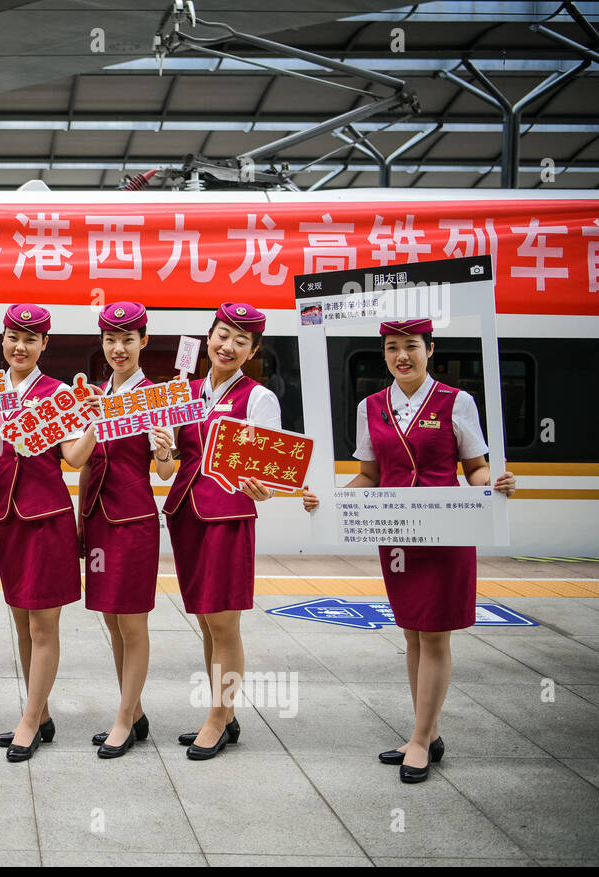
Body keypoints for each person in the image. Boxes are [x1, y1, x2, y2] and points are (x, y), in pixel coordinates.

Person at [302, 318, 515, 783]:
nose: (403, 355)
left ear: (430, 349)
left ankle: (420, 739)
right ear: (383, 355)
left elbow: (475, 469)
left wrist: (494, 483)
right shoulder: (370, 407)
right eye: (393, 348)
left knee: (435, 633)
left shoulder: (457, 402)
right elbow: (370, 476)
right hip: (396, 534)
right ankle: (427, 732)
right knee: (412, 633)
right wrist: (331, 500)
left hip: (446, 534)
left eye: (411, 347)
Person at [0, 304, 94, 762]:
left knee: (43, 624)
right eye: (12, 337)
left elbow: (74, 459)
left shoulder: (57, 394)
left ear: (45, 345)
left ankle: (29, 719)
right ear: (2, 339)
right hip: (7, 520)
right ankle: (40, 715)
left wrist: (94, 422)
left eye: (30, 339)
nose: (19, 346)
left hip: (46, 521)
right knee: (20, 622)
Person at [162, 302, 280, 761]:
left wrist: (262, 488)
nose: (227, 346)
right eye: (222, 335)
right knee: (206, 621)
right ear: (208, 338)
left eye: (240, 341)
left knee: (224, 624)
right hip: (187, 515)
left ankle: (218, 717)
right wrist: (164, 445)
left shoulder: (257, 398)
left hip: (228, 519)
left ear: (252, 352)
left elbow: (270, 475)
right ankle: (223, 714)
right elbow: (170, 464)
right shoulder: (184, 390)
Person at [69, 301, 173, 758]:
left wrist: (166, 451)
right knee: (111, 621)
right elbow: (85, 465)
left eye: (128, 339)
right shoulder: (92, 395)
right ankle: (135, 712)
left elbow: (166, 472)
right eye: (110, 339)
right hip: (98, 520)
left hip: (134, 523)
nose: (118, 348)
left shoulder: (155, 397)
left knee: (132, 623)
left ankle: (122, 719)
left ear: (143, 342)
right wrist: (78, 524)